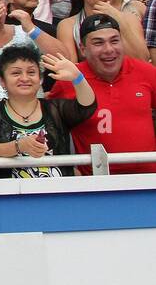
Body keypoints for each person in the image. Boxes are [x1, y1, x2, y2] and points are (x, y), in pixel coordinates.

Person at [48, 14, 156, 174]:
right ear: (82, 49)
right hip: (97, 185)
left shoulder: (146, 72)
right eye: (98, 43)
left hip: (148, 181)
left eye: (114, 41)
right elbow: (48, 126)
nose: (109, 49)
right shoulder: (69, 80)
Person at [0, 46, 95, 178]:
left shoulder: (54, 108)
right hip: (9, 195)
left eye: (31, 72)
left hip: (59, 193)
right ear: (2, 81)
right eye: (16, 73)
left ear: (40, 79)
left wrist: (78, 78)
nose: (24, 78)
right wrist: (18, 146)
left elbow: (87, 107)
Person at [52, 0, 146, 62]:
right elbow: (71, 68)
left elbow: (143, 59)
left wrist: (119, 19)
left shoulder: (130, 18)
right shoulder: (68, 26)